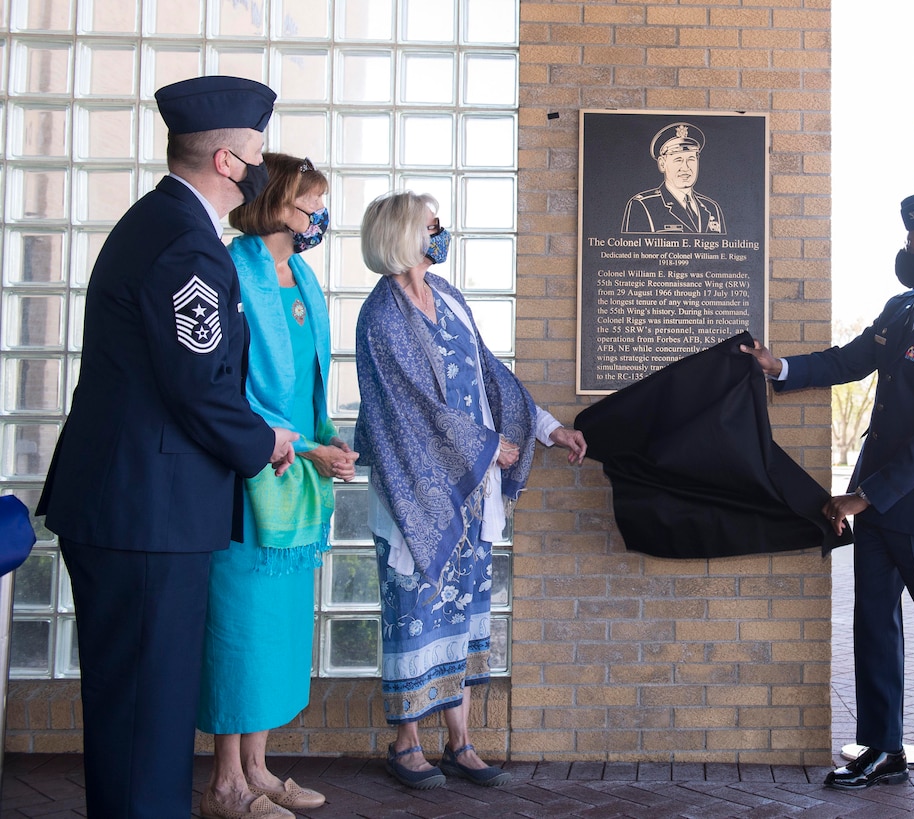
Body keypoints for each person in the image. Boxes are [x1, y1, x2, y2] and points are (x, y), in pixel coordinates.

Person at [35, 76, 299, 819]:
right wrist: (265, 440)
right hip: (144, 511)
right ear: (225, 160)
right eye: (254, 154)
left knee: (139, 711)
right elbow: (198, 387)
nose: (260, 169)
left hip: (136, 505)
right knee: (146, 715)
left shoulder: (162, 225)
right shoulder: (185, 245)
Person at [742, 190, 914, 801]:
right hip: (876, 506)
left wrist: (860, 498)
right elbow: (850, 359)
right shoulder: (898, 310)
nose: (905, 254)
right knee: (874, 628)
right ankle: (882, 748)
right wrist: (778, 366)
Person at [355, 191, 587, 790]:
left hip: (471, 492)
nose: (442, 232)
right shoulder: (382, 317)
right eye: (434, 224)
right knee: (413, 610)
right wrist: (490, 449)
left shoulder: (450, 301)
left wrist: (547, 427)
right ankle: (406, 743)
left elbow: (493, 377)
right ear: (406, 234)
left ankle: (460, 742)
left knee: (460, 614)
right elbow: (409, 411)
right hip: (417, 497)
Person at [195, 153, 359, 819]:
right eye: (308, 205)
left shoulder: (305, 278)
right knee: (239, 627)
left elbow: (311, 379)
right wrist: (299, 445)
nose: (318, 217)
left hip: (300, 479)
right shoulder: (233, 269)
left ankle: (259, 769)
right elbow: (223, 383)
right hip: (247, 477)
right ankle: (226, 783)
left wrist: (330, 442)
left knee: (277, 632)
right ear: (275, 205)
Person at [621, 121, 726, 234]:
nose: (685, 168)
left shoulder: (711, 207)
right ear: (662, 164)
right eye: (678, 160)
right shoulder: (643, 205)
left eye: (691, 159)